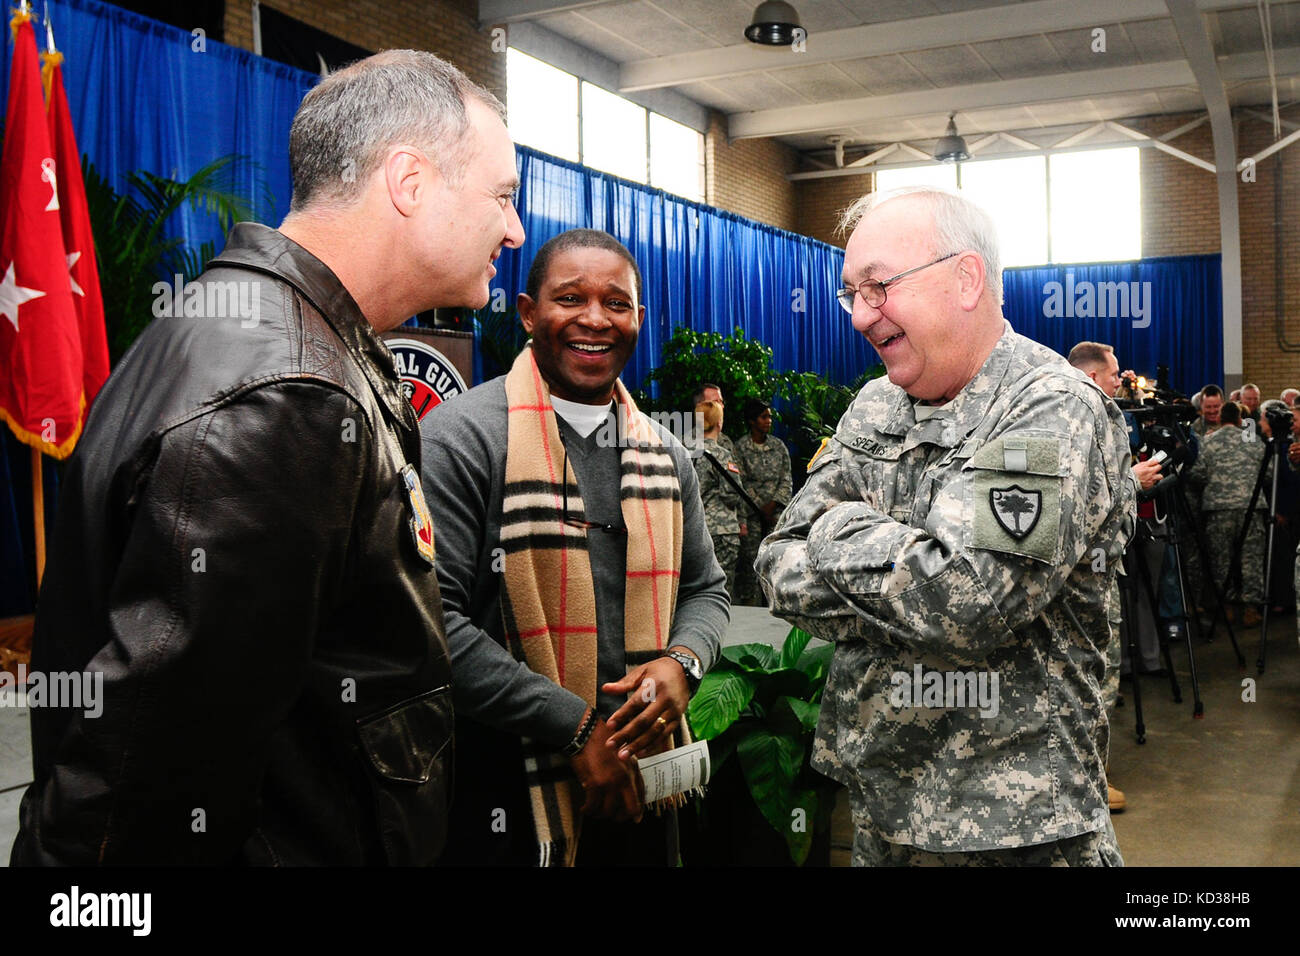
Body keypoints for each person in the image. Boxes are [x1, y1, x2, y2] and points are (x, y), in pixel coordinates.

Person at [10, 51, 524, 866]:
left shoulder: (251, 331)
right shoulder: (289, 393)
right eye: (502, 196)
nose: (514, 229)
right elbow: (147, 777)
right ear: (411, 181)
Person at [757, 185, 1135, 867]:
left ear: (966, 278)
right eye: (851, 294)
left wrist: (838, 531)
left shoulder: (1048, 409)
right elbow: (776, 565)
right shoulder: (875, 405)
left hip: (1018, 833)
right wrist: (909, 567)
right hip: (881, 817)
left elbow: (967, 598)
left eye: (878, 286)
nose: (860, 315)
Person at [421, 229, 729, 867]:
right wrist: (575, 728)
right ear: (530, 313)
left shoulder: (666, 453)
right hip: (505, 788)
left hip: (648, 779)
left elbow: (706, 588)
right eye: (569, 298)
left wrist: (683, 664)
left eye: (616, 303)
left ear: (638, 318)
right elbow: (432, 623)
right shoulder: (461, 438)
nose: (594, 319)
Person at [1066, 341, 1162, 814]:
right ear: (1092, 374)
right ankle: (1089, 784)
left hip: (1098, 566)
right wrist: (1134, 481)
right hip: (1087, 573)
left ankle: (1087, 775)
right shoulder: (1083, 417)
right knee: (1095, 675)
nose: (1121, 379)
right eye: (1115, 373)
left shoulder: (1088, 413)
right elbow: (1086, 498)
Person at [1186, 401, 1269, 625]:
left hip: (1217, 509)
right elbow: (1268, 472)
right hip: (1250, 507)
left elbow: (1197, 474)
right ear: (1241, 420)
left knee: (1221, 560)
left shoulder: (1207, 441)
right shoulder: (1252, 440)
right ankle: (1252, 608)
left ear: (1221, 419)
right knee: (1251, 559)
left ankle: (1227, 607)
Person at [733, 398, 792, 606]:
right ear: (752, 421)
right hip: (750, 515)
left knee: (775, 561)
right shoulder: (739, 448)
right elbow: (739, 481)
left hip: (776, 514)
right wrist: (758, 506)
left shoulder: (779, 447)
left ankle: (778, 604)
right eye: (763, 417)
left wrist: (773, 504)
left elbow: (786, 479)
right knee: (750, 564)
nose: (768, 421)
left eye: (769, 417)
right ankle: (751, 607)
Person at [694, 399, 745, 601]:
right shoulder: (722, 455)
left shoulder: (683, 452)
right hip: (721, 531)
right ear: (719, 424)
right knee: (721, 589)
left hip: (694, 527)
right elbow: (731, 494)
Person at [693, 383, 736, 458]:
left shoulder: (726, 442)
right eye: (716, 402)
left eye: (721, 401)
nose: (722, 406)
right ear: (700, 406)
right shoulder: (683, 444)